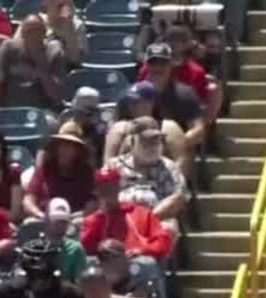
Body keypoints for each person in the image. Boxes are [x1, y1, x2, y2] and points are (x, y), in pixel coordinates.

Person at [110, 118, 188, 239]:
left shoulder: (169, 168)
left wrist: (146, 219)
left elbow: (178, 198)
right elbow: (102, 194)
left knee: (169, 228)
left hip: (155, 219)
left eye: (156, 140)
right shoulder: (114, 165)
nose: (152, 146)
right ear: (132, 141)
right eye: (145, 141)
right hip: (118, 218)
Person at [79, 168, 173, 265]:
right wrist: (101, 215)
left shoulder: (140, 213)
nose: (109, 191)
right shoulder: (92, 221)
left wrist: (142, 251)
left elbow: (163, 241)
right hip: (105, 268)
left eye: (112, 186)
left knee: (146, 263)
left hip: (136, 263)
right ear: (96, 191)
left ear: (119, 187)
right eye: (103, 188)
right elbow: (84, 249)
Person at [139, 43, 206, 177]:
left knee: (172, 132)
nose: (158, 68)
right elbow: (120, 127)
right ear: (146, 65)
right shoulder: (134, 93)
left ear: (171, 65)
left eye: (163, 63)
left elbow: (199, 131)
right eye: (153, 63)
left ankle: (175, 188)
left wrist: (178, 141)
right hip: (139, 148)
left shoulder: (185, 93)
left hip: (172, 150)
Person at [0, 14, 66, 112]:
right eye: (29, 32)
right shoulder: (9, 48)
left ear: (44, 32)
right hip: (10, 110)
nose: (34, 35)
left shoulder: (54, 51)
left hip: (43, 113)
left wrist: (40, 62)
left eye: (38, 31)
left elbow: (57, 96)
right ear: (22, 34)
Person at [23, 129, 96, 219]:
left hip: (75, 219)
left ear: (78, 151)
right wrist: (39, 214)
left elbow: (92, 200)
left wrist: (82, 215)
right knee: (29, 223)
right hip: (44, 219)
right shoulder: (44, 169)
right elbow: (28, 200)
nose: (64, 150)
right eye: (61, 146)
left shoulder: (86, 173)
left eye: (69, 147)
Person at [43, 198, 87, 284]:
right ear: (47, 220)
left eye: (63, 221)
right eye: (56, 220)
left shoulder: (75, 249)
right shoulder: (34, 248)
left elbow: (79, 283)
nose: (60, 225)